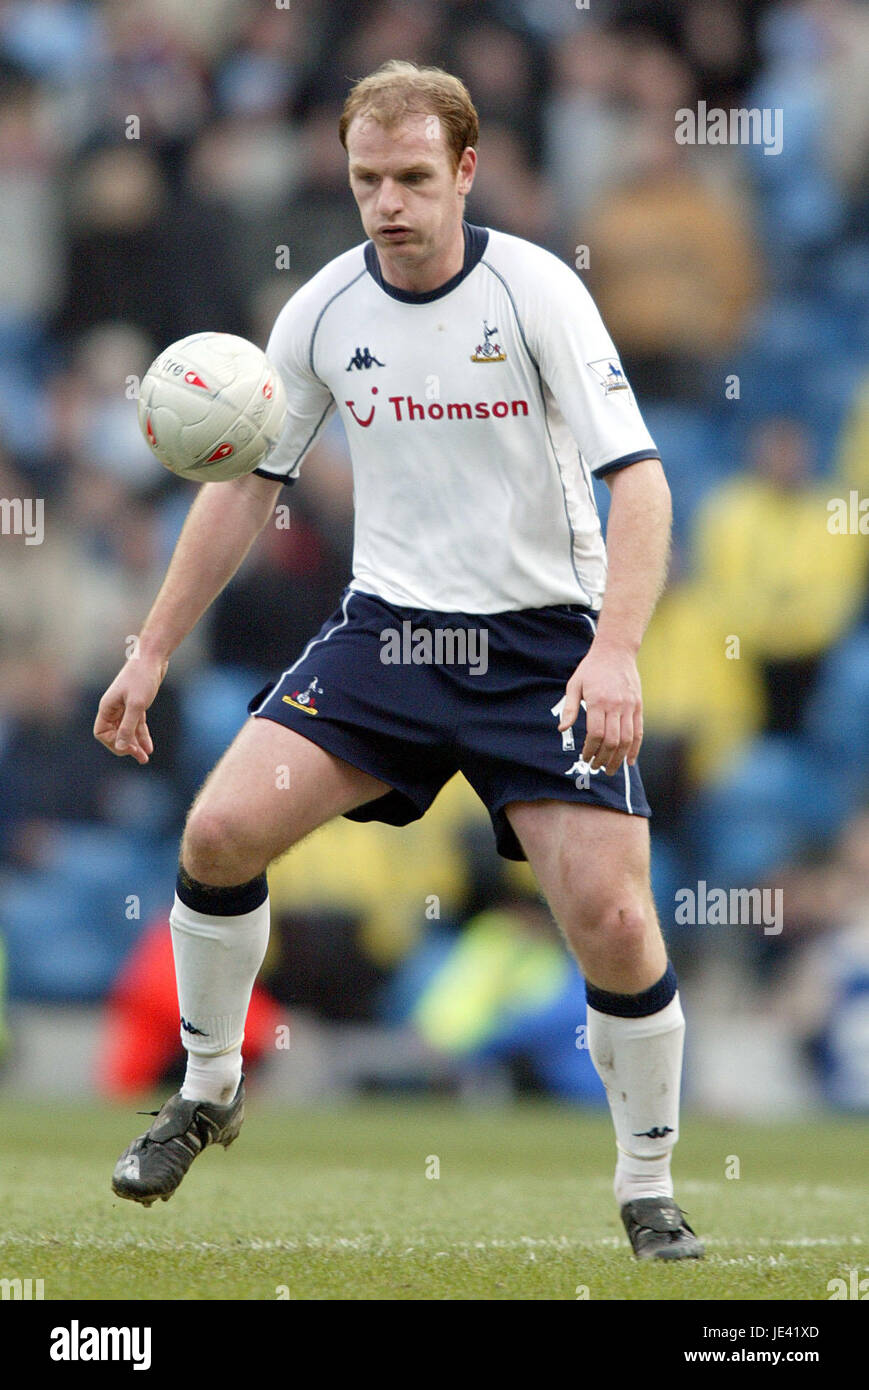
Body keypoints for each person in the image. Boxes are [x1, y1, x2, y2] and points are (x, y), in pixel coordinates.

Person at [95, 60, 702, 1261]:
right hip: (388, 635)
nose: (388, 201)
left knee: (615, 918)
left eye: (414, 177)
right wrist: (151, 648)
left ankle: (646, 1185)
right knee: (216, 834)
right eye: (367, 178)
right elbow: (242, 492)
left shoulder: (534, 294)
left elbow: (638, 481)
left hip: (541, 647)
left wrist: (616, 652)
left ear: (466, 171)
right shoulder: (320, 311)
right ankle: (208, 1089)